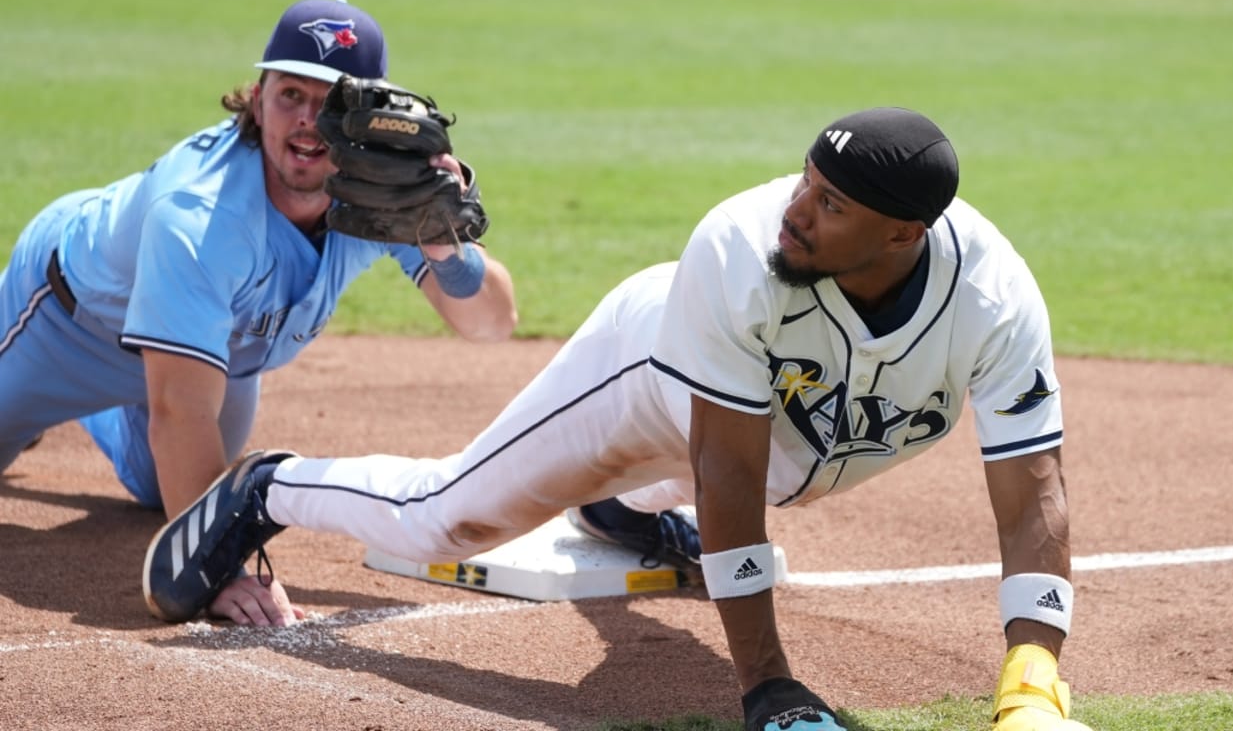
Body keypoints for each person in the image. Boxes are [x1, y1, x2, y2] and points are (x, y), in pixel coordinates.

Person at [144, 107, 1091, 731]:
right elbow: (726, 475)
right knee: (452, 516)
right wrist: (768, 688)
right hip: (649, 372)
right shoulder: (742, 251)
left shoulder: (994, 300)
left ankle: (627, 512)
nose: (796, 210)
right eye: (803, 180)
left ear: (901, 236)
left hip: (774, 437)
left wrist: (1032, 678)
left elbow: (1031, 490)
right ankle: (273, 484)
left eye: (829, 203)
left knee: (759, 464)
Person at [0, 0, 518, 627]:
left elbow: (490, 324)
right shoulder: (199, 216)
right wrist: (217, 572)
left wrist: (444, 247)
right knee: (182, 451)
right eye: (289, 94)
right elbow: (180, 411)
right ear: (257, 97)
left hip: (214, 354)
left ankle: (102, 417)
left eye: (329, 102)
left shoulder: (379, 191)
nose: (306, 122)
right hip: (67, 329)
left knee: (150, 487)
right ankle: (46, 406)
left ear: (370, 117)